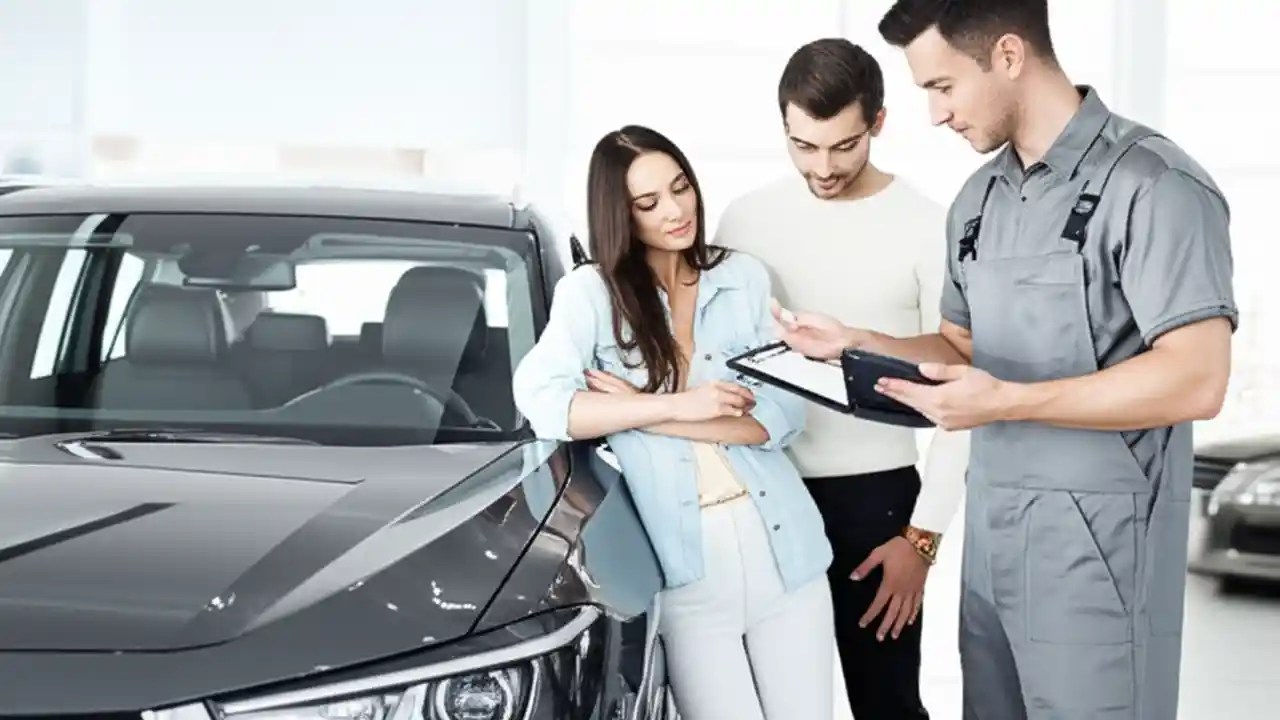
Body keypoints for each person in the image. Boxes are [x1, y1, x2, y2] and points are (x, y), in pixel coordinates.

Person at [773, 2, 1237, 718]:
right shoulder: (978, 201)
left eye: (943, 87)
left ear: (1009, 56)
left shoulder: (1153, 185)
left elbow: (1197, 377)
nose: (934, 114)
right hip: (992, 549)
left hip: (1102, 557)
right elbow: (963, 349)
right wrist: (859, 342)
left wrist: (1009, 401)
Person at [512, 125, 837, 720]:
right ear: (620, 213)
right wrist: (674, 405)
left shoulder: (741, 278)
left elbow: (784, 416)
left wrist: (641, 416)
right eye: (649, 202)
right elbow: (545, 403)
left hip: (784, 549)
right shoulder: (592, 295)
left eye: (681, 187)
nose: (675, 210)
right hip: (688, 569)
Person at [714, 38, 969, 720]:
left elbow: (963, 389)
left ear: (878, 122)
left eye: (843, 146)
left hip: (876, 502)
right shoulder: (744, 220)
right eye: (803, 146)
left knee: (887, 705)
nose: (822, 168)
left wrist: (922, 539)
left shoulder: (927, 224)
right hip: (759, 489)